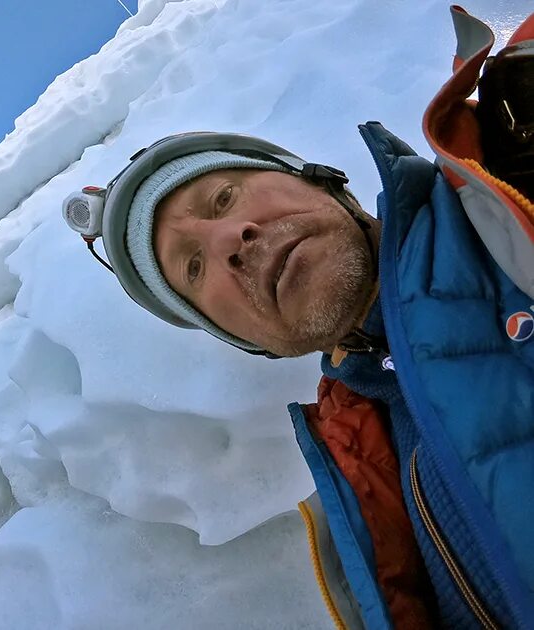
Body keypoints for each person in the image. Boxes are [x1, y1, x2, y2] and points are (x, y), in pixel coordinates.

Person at [62, 8, 534, 629]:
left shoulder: (510, 158)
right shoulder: (367, 476)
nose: (230, 238)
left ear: (322, 182)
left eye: (223, 197)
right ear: (238, 337)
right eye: (193, 268)